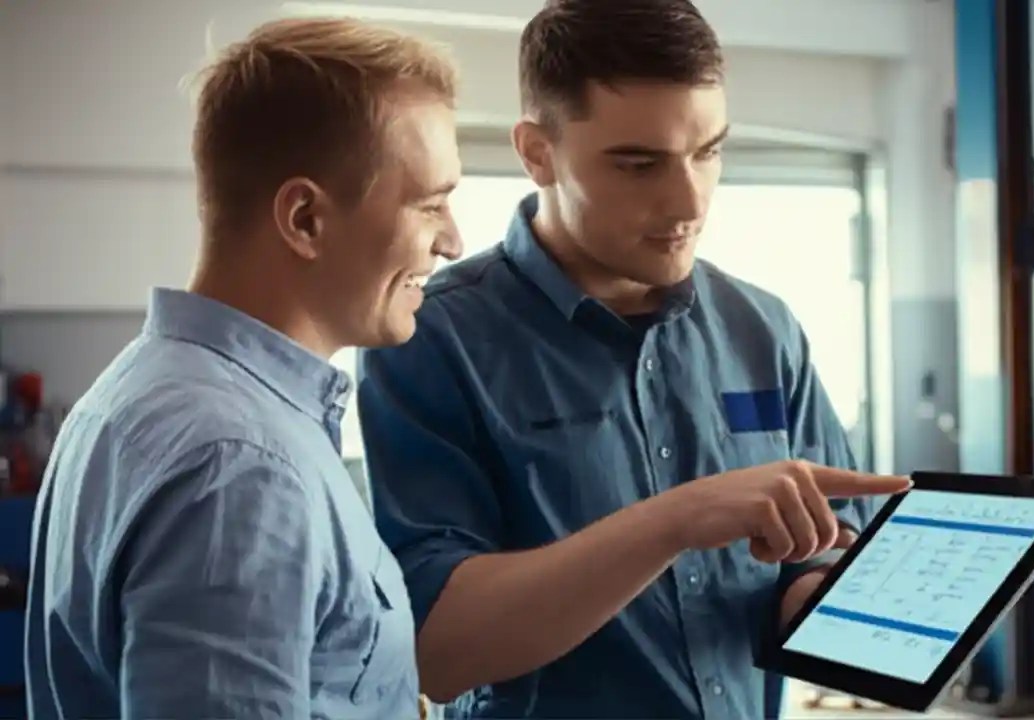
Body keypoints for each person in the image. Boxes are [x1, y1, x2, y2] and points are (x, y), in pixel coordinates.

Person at [358, 1, 909, 718]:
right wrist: (675, 520)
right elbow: (438, 649)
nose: (688, 202)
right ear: (537, 153)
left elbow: (821, 553)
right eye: (639, 163)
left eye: (707, 151)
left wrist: (834, 595)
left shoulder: (763, 329)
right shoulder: (432, 337)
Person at [24, 17, 462, 719]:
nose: (452, 240)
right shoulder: (242, 466)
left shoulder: (145, 392)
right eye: (430, 204)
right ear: (305, 219)